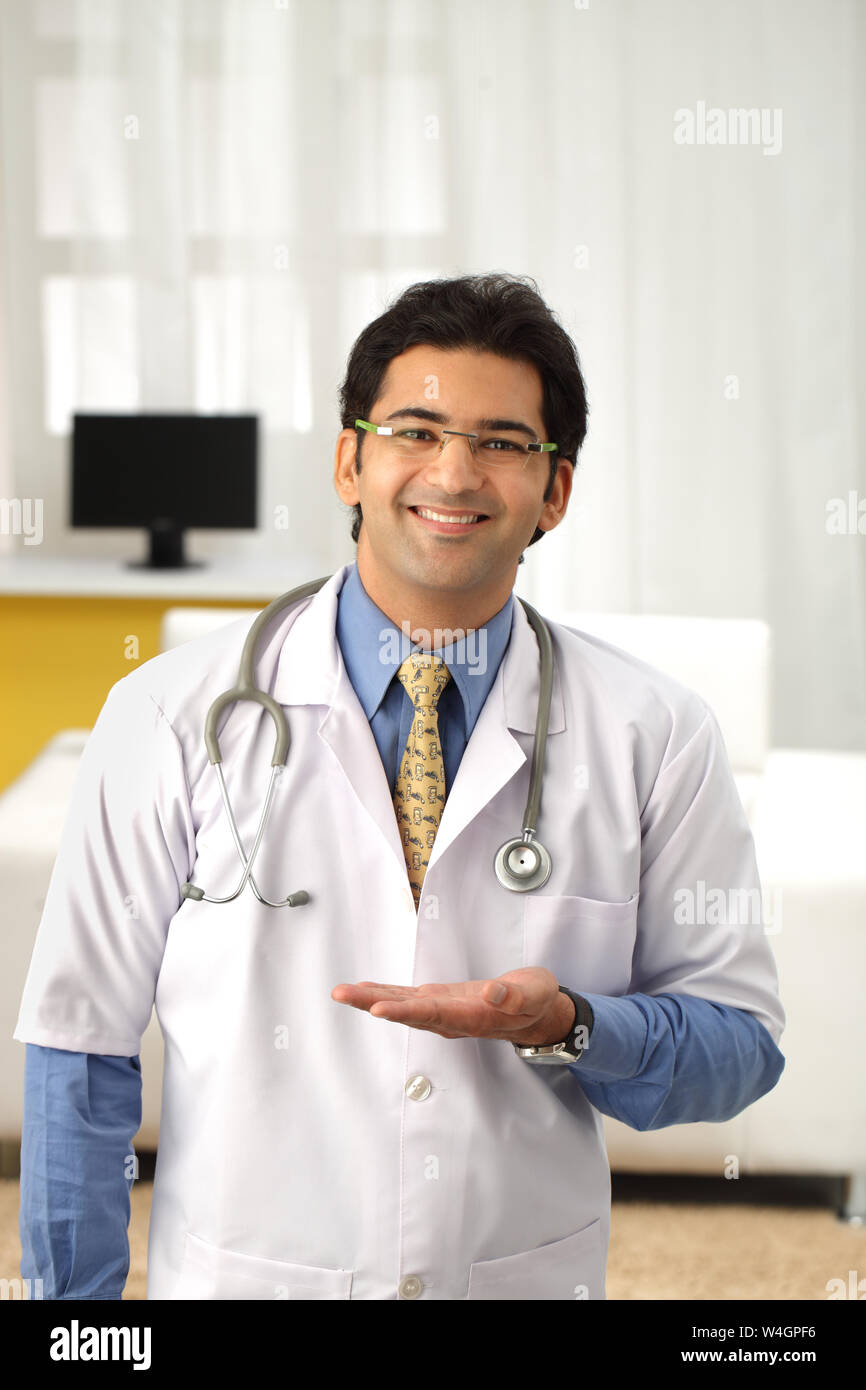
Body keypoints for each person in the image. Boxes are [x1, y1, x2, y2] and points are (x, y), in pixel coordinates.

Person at [15, 273, 785, 1301]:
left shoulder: (657, 733)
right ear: (350, 459)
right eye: (414, 430)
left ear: (553, 490)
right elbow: (79, 1053)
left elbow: (739, 1048)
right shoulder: (165, 717)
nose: (454, 471)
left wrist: (572, 1024)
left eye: (504, 442)